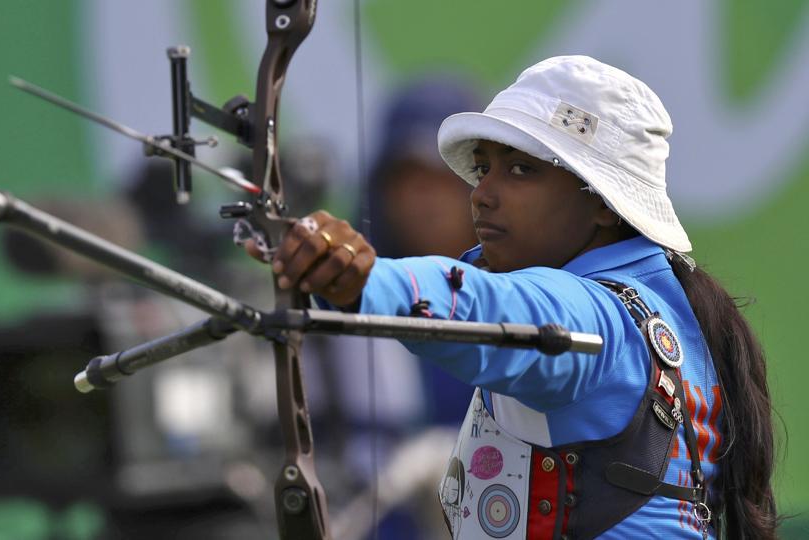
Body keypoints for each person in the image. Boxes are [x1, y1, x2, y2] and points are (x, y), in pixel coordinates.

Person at [248, 56, 779, 538]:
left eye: (521, 169)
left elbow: (492, 306)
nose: (481, 192)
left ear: (603, 205)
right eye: (484, 168)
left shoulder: (592, 313)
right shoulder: (664, 303)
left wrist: (364, 283)